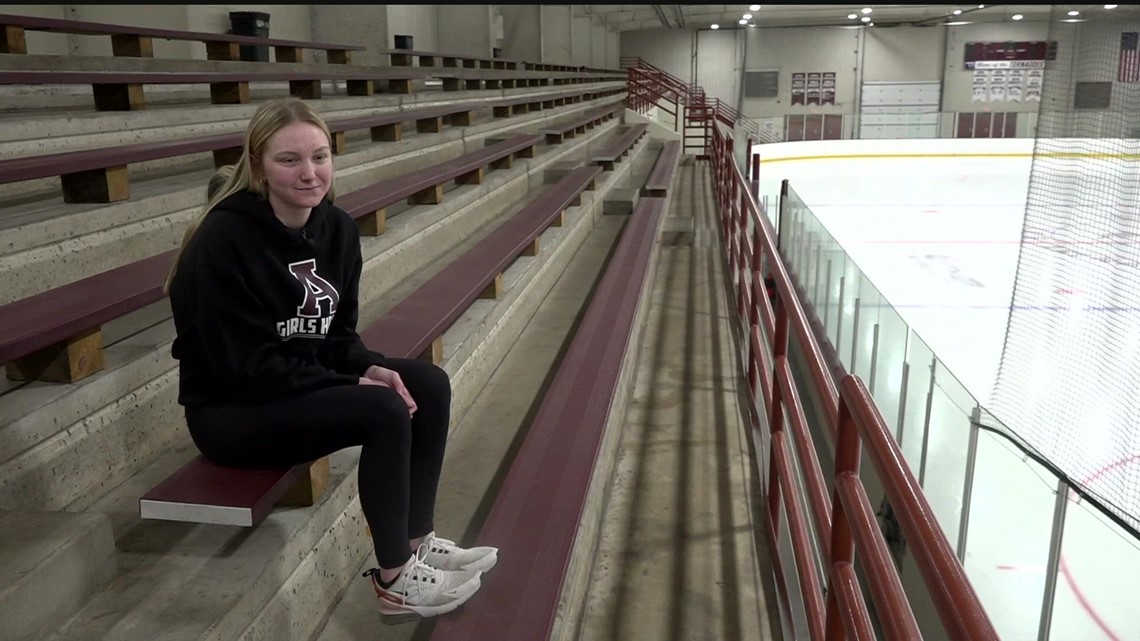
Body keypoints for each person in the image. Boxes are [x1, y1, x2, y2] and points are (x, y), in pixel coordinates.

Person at [166, 97, 496, 624]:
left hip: (296, 384)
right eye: (289, 160)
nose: (309, 173)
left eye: (319, 157)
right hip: (234, 411)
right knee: (384, 411)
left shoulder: (336, 228)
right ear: (258, 168)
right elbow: (244, 367)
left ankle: (417, 540)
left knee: (427, 384)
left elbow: (337, 333)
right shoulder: (223, 241)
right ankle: (396, 581)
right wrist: (348, 383)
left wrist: (364, 366)